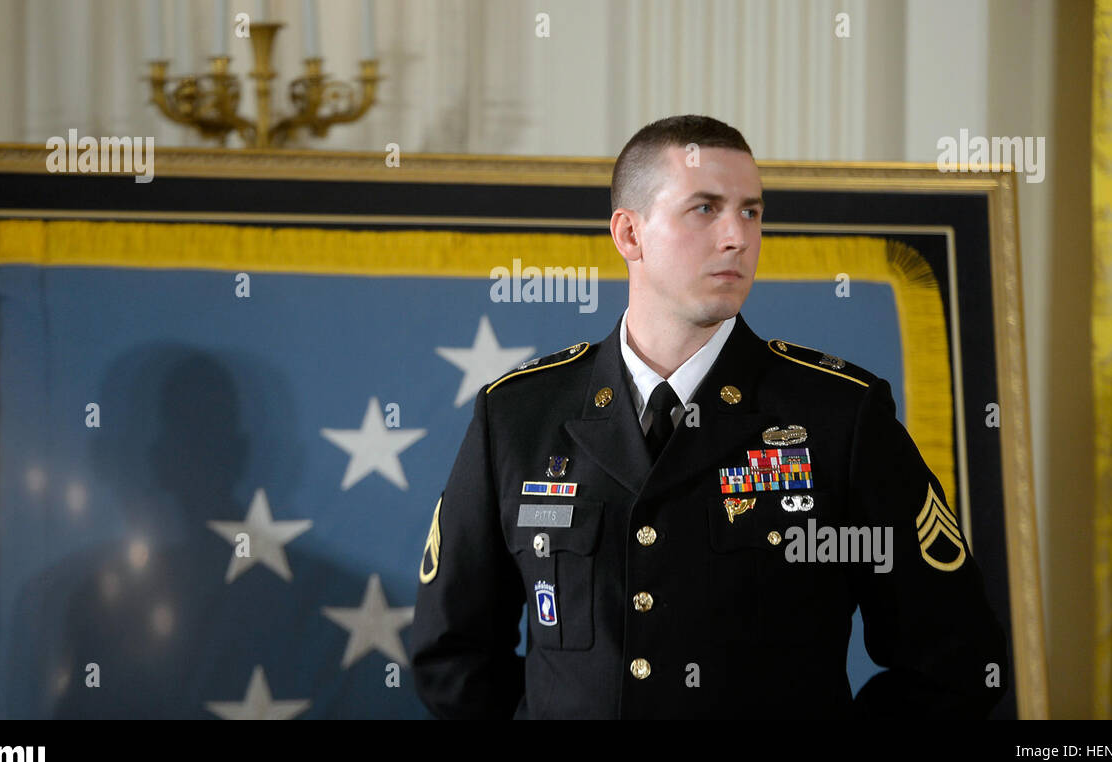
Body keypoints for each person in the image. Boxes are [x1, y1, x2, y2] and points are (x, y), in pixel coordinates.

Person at [411, 114, 1008, 718]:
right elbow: (451, 655)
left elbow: (958, 662)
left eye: (751, 211)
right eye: (705, 209)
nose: (737, 237)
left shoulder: (840, 417)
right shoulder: (517, 416)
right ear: (629, 234)